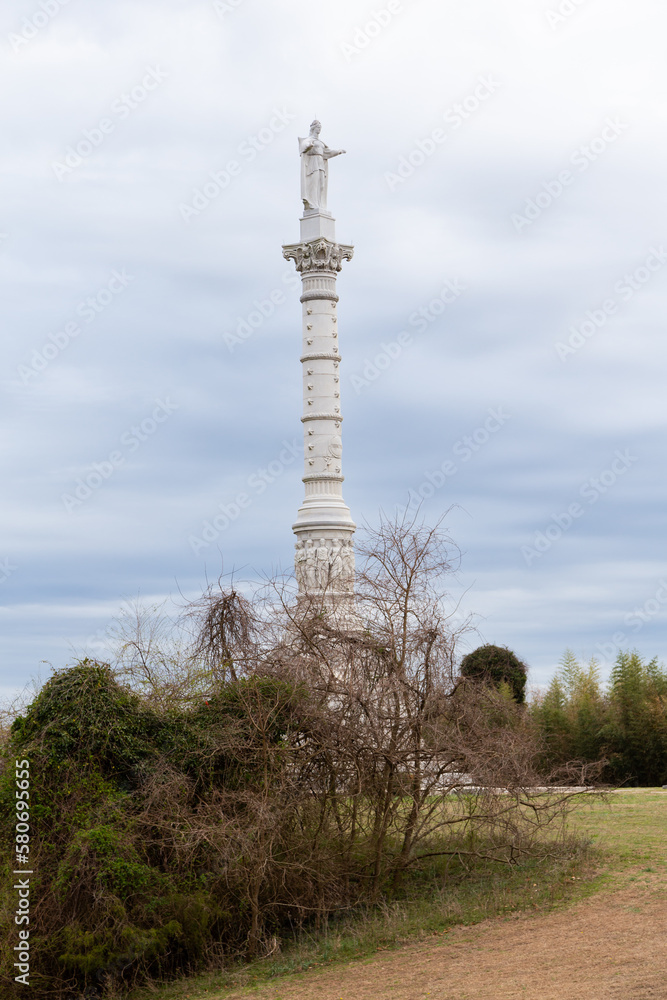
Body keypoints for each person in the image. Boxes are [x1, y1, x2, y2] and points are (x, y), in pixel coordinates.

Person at [299, 120, 345, 213]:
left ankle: (320, 204)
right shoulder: (309, 139)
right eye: (318, 127)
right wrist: (308, 146)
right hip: (313, 162)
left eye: (320, 127)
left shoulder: (320, 142)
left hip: (320, 163)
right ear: (313, 128)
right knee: (314, 183)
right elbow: (304, 146)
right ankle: (312, 204)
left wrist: (338, 151)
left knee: (322, 185)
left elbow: (328, 152)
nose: (319, 129)